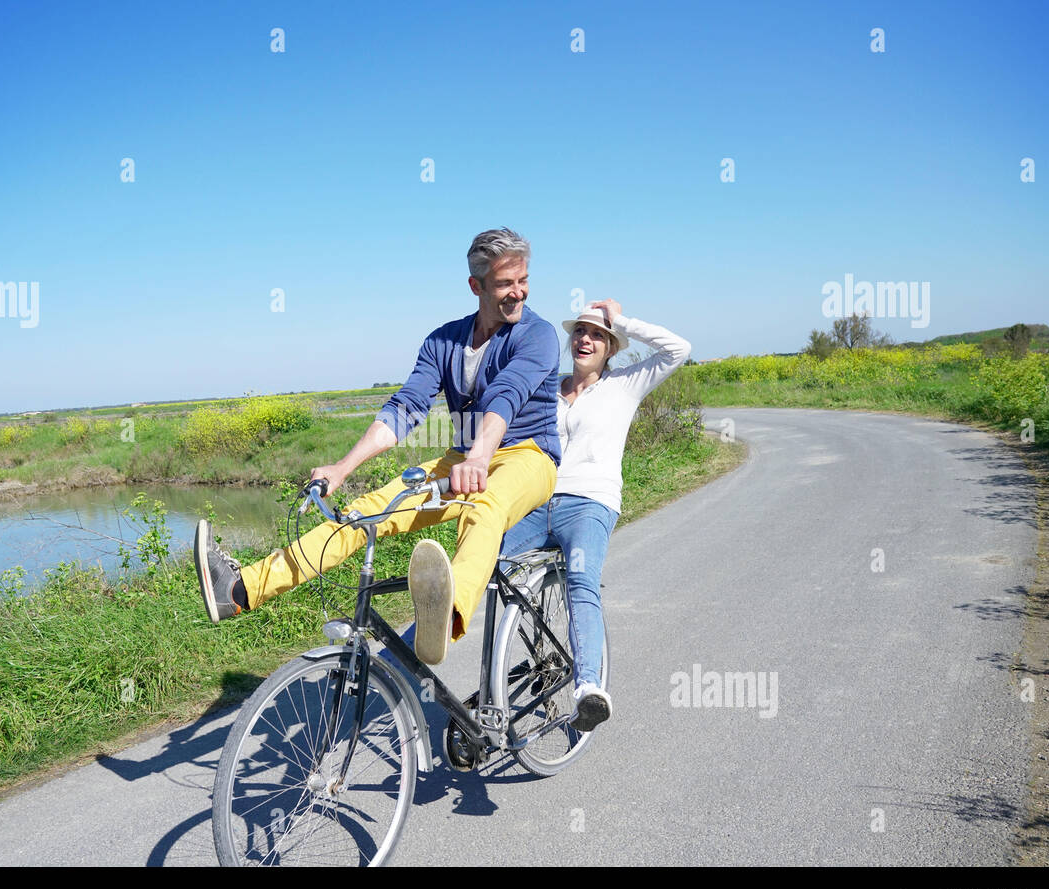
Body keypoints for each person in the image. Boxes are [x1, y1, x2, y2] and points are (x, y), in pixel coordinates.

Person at [195, 228, 562, 668]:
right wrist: (343, 467)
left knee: (484, 507)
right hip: (464, 458)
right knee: (366, 512)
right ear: (476, 286)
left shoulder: (537, 334)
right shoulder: (443, 341)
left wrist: (482, 455)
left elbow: (507, 393)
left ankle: (447, 617)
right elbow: (405, 408)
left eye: (523, 280)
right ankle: (239, 591)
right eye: (505, 283)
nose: (518, 292)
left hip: (527, 455)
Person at [499, 298, 691, 732]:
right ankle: (409, 651)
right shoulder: (548, 388)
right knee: (478, 560)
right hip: (536, 504)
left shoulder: (626, 384)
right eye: (580, 332)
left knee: (581, 581)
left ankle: (587, 688)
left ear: (611, 348)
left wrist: (619, 319)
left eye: (597, 335)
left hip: (589, 505)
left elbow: (678, 348)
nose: (585, 339)